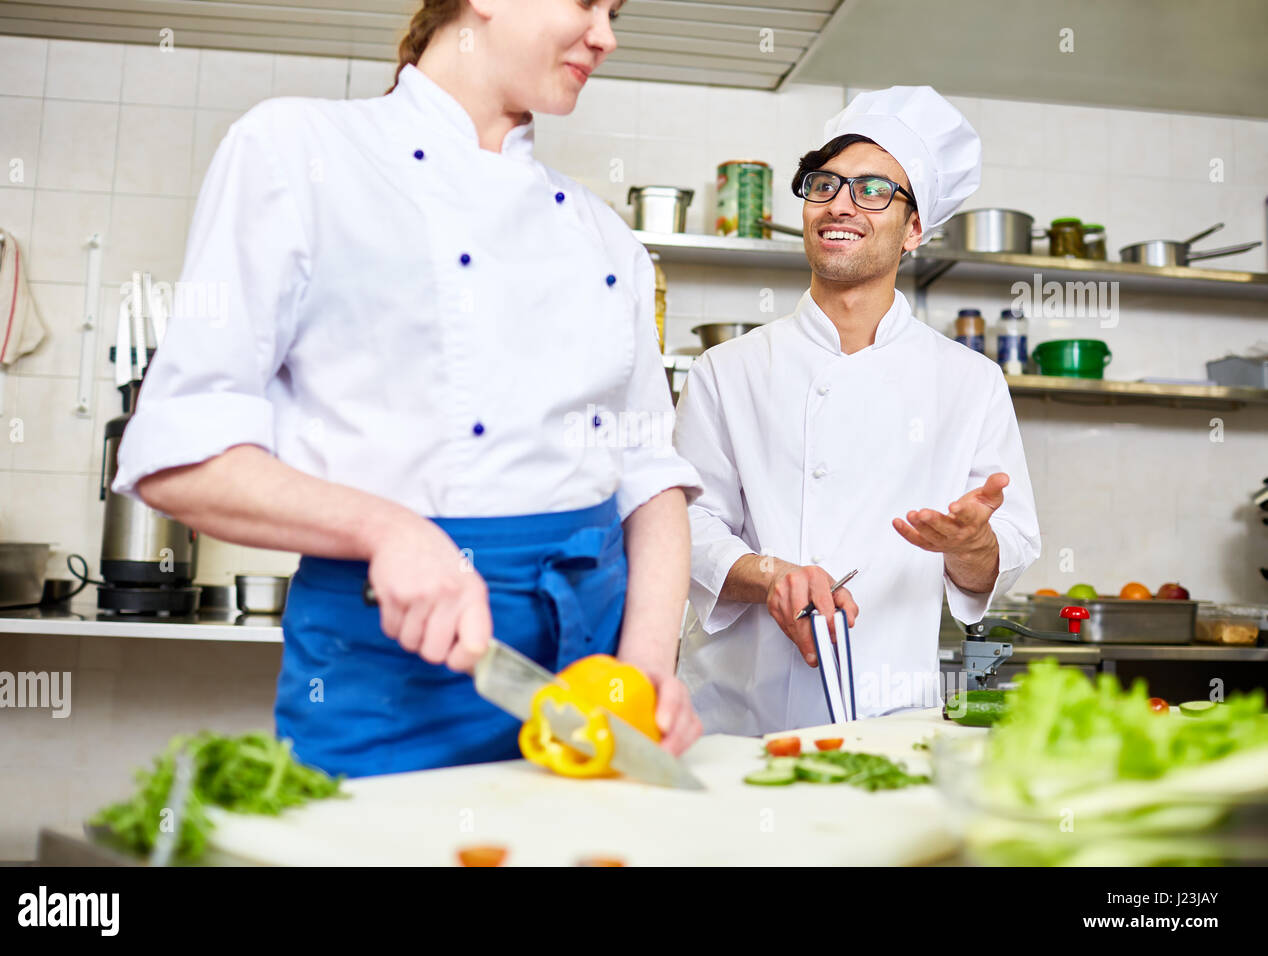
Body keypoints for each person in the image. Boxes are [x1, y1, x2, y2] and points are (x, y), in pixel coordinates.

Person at [111, 0, 705, 776]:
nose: (607, 36)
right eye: (588, 2)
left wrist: (646, 670)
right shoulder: (297, 151)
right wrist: (388, 530)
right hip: (394, 678)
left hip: (589, 687)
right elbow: (179, 452)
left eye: (616, 12)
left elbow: (648, 475)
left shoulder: (605, 237)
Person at [673, 86, 1041, 736]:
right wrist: (768, 575)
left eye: (873, 190)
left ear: (916, 229)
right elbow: (684, 530)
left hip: (888, 718)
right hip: (734, 719)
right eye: (825, 185)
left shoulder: (970, 383)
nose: (840, 204)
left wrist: (971, 545)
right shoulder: (725, 371)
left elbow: (1004, 554)